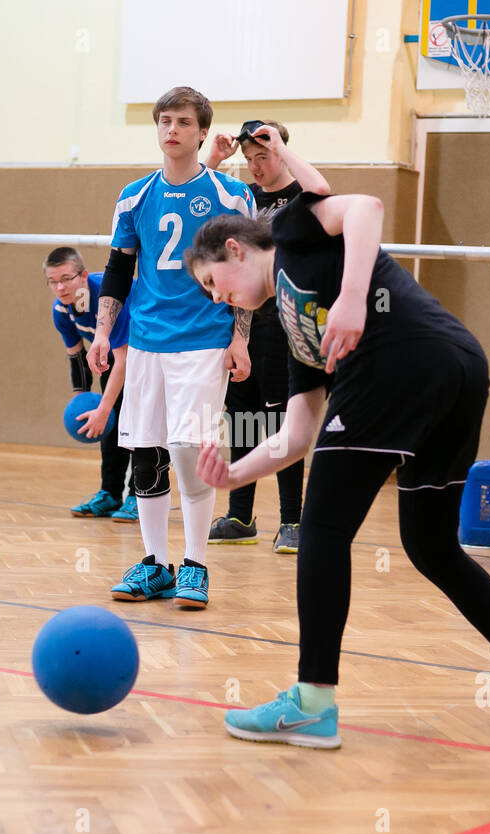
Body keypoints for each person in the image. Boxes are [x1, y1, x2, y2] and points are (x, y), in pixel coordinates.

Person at [186, 195, 490, 748]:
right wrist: (233, 476)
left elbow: (366, 206)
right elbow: (297, 436)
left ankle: (312, 703)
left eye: (212, 282)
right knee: (432, 546)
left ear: (234, 249)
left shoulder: (294, 233)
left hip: (403, 362)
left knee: (322, 529)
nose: (218, 297)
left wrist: (349, 300)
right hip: (459, 368)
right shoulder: (297, 333)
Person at [87, 86, 255, 609]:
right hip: (146, 342)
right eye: (164, 121)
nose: (172, 130)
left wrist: (241, 338)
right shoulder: (135, 195)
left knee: (188, 450)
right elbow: (118, 269)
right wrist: (101, 330)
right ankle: (156, 562)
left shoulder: (230, 196)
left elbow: (247, 272)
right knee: (145, 449)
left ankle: (196, 563)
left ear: (203, 132)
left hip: (203, 340)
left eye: (183, 122)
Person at [202, 121, 327, 553]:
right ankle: (241, 515)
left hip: (282, 321)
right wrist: (215, 160)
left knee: (280, 418)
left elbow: (322, 191)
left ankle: (292, 520)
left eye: (264, 156)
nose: (255, 167)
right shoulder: (243, 198)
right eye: (249, 159)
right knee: (241, 416)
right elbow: (199, 202)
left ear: (280, 150)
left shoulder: (299, 198)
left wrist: (283, 148)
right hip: (240, 322)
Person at [43, 246, 137, 521]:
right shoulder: (62, 311)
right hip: (115, 358)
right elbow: (77, 357)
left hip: (146, 356)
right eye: (53, 281)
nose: (60, 287)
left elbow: (125, 360)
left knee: (137, 424)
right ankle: (109, 493)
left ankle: (138, 496)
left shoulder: (108, 300)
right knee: (110, 424)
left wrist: (104, 409)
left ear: (83, 276)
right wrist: (82, 402)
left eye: (66, 279)